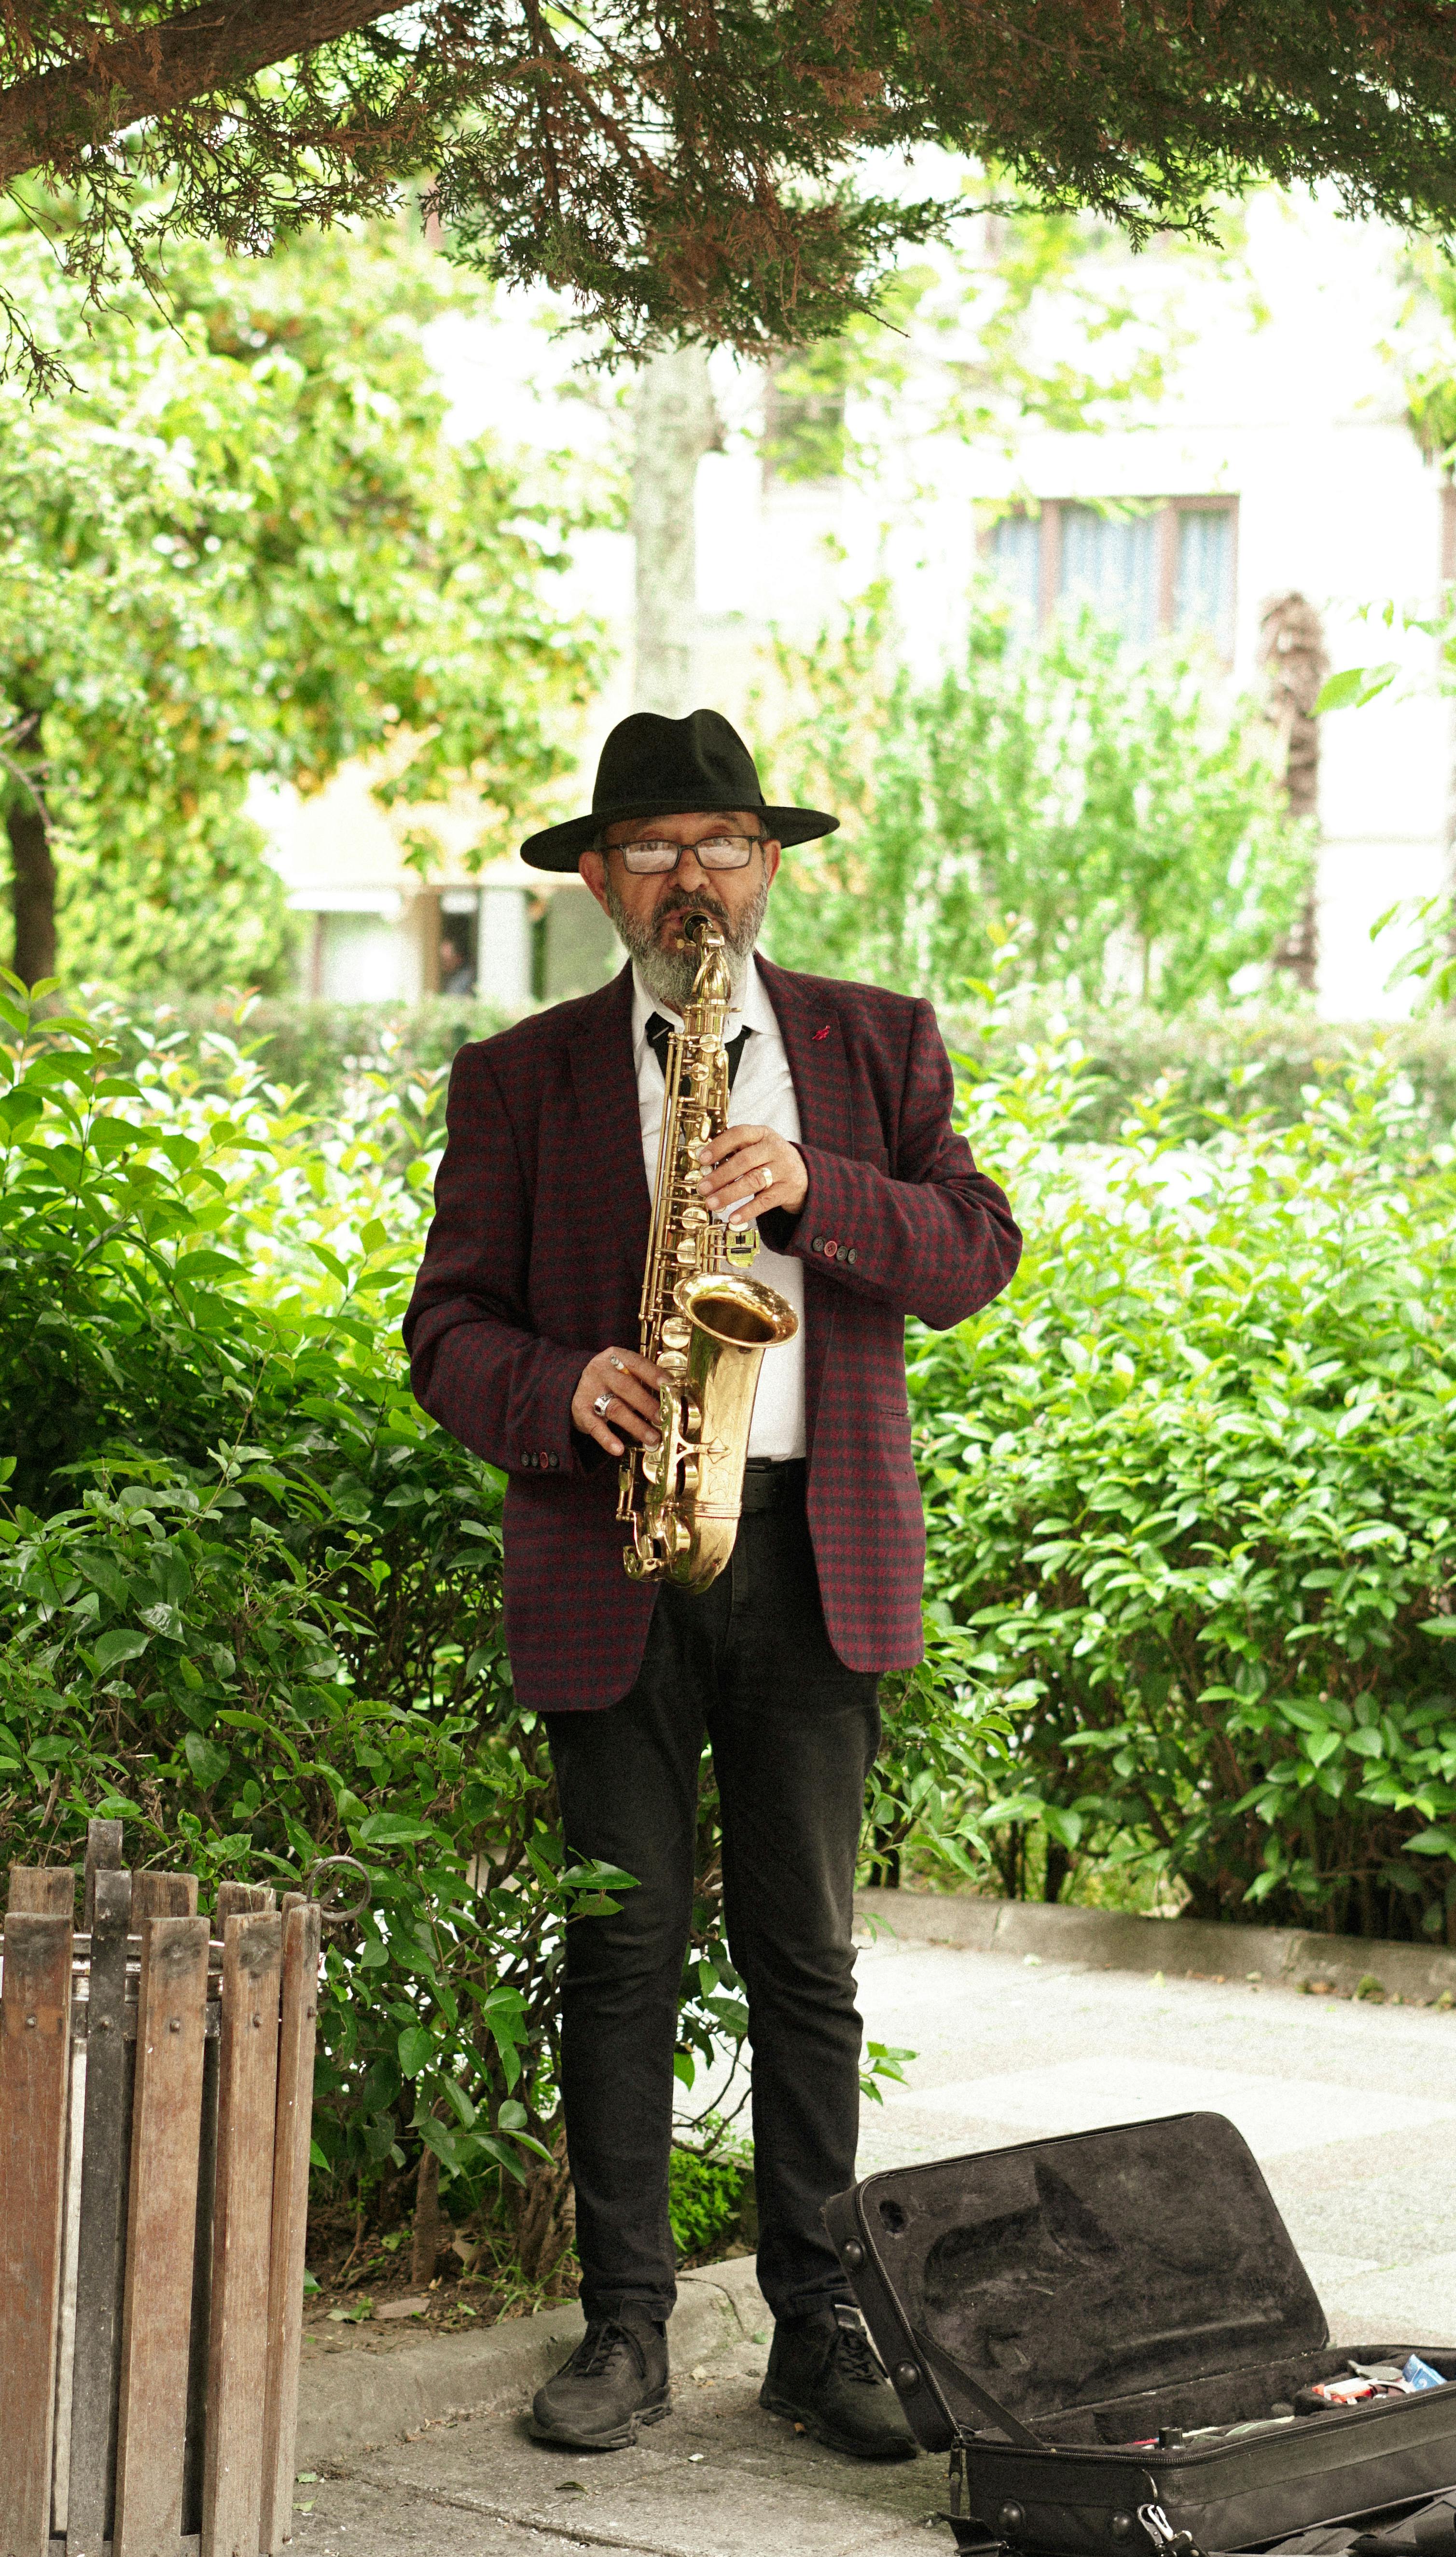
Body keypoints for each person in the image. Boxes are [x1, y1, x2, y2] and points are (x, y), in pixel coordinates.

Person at [402, 708, 1021, 2460]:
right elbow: (442, 1330)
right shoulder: (519, 1076)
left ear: (770, 863)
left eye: (728, 844)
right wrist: (561, 1388)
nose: (698, 880)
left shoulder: (873, 1044)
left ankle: (819, 2327)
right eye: (660, 849)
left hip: (816, 1547)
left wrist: (822, 1186)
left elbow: (976, 1249)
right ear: (600, 878)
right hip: (615, 1543)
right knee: (620, 1956)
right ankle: (623, 2329)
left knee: (805, 1958)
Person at [438, 930, 476, 995]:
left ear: (458, 958)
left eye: (446, 961)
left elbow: (452, 1000)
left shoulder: (465, 978)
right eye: (442, 959)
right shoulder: (451, 976)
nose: (443, 965)